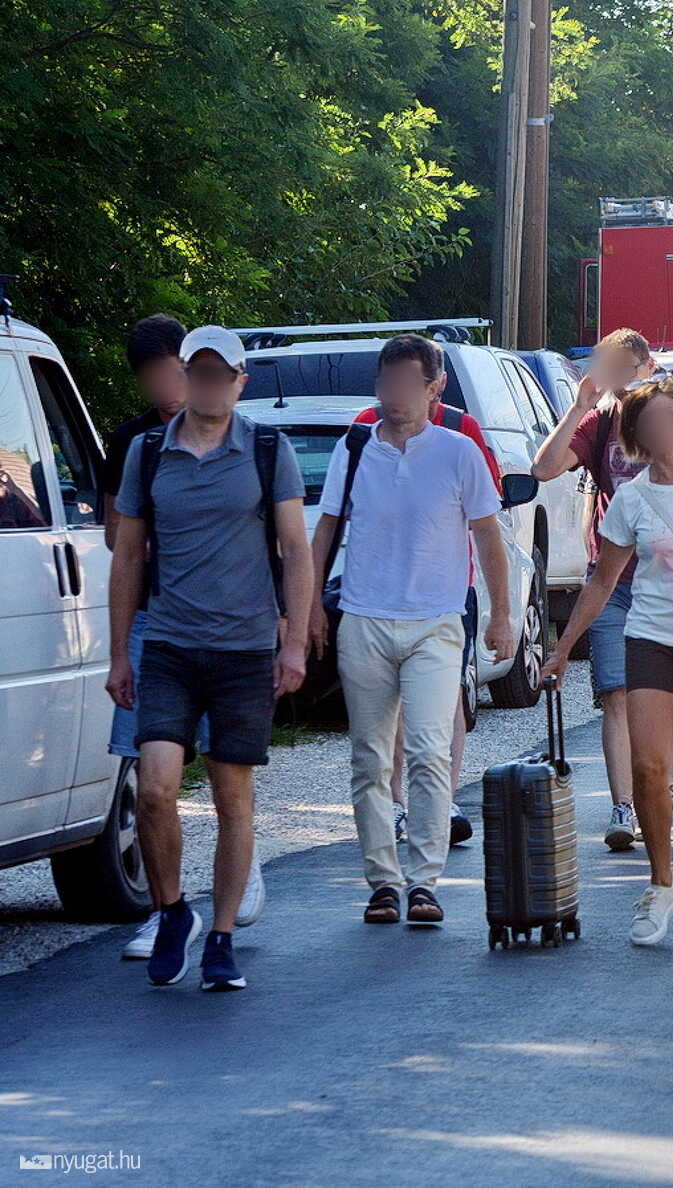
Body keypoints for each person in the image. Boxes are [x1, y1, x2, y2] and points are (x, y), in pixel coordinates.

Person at [106, 325, 314, 992]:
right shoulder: (148, 452)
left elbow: (296, 551)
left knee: (232, 798)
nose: (208, 386)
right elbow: (127, 558)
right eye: (197, 374)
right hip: (169, 645)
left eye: (220, 376)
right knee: (155, 790)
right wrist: (119, 654)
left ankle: (221, 938)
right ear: (184, 376)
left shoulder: (267, 449)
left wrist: (293, 643)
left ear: (239, 382)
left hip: (244, 650)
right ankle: (172, 912)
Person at [310, 335, 514, 928]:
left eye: (407, 383)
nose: (394, 395)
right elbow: (325, 530)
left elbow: (488, 535)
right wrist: (309, 609)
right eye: (387, 383)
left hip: (436, 621)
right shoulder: (355, 447)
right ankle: (382, 882)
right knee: (370, 759)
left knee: (427, 751)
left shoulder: (458, 451)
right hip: (364, 619)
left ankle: (424, 880)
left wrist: (502, 614)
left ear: (434, 388)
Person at [540, 377, 673, 948]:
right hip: (653, 635)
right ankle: (661, 885)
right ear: (634, 435)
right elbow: (602, 581)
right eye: (646, 423)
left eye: (667, 418)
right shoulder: (632, 497)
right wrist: (562, 649)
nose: (659, 430)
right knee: (649, 769)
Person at [350, 345, 503, 852]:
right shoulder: (363, 430)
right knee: (391, 707)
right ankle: (396, 801)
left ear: (435, 385)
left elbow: (487, 515)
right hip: (379, 597)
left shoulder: (461, 431)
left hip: (446, 594)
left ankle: (443, 800)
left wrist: (502, 612)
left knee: (447, 700)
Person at [531, 329, 656, 849]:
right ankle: (624, 806)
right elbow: (544, 468)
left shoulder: (668, 415)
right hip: (610, 581)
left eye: (626, 367)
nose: (617, 378)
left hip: (665, 582)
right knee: (615, 694)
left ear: (648, 367)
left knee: (660, 699)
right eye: (608, 367)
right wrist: (578, 405)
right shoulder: (599, 421)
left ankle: (655, 786)